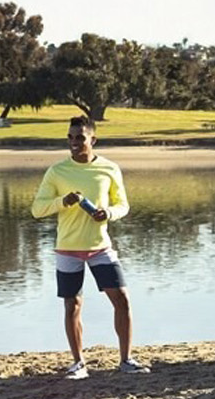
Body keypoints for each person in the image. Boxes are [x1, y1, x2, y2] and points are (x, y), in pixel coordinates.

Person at [31, 115, 149, 378]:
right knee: (72, 305)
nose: (74, 142)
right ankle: (78, 364)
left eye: (80, 137)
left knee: (122, 300)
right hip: (68, 248)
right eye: (71, 137)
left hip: (100, 247)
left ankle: (126, 359)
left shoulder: (109, 169)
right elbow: (37, 210)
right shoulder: (57, 171)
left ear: (93, 140)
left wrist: (107, 213)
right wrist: (64, 201)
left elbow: (123, 205)